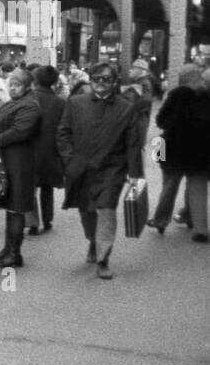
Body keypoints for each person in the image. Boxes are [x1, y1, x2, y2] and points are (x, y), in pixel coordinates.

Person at [57, 62, 145, 279]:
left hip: (112, 169)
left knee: (106, 210)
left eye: (106, 79)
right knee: (86, 210)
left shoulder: (126, 108)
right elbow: (63, 133)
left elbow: (133, 142)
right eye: (97, 78)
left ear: (115, 82)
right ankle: (93, 241)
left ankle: (104, 258)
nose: (101, 83)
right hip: (81, 168)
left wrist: (135, 174)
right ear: (91, 80)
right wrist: (70, 159)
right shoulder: (76, 103)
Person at [0, 67, 42, 268]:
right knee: (11, 207)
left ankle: (14, 253)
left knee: (16, 207)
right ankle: (8, 249)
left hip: (20, 162)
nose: (12, 88)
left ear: (27, 86)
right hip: (10, 159)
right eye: (10, 84)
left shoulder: (30, 105)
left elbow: (20, 131)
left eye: (17, 85)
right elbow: (0, 122)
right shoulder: (16, 102)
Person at [148, 64, 210, 241]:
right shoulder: (206, 95)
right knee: (196, 185)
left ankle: (160, 220)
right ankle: (195, 223)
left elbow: (160, 120)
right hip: (200, 149)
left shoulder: (175, 94)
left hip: (170, 147)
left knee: (169, 185)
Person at [27, 65, 65, 235]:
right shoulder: (60, 102)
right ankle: (48, 219)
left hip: (31, 148)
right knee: (47, 187)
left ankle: (33, 222)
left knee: (30, 187)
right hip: (51, 150)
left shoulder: (29, 98)